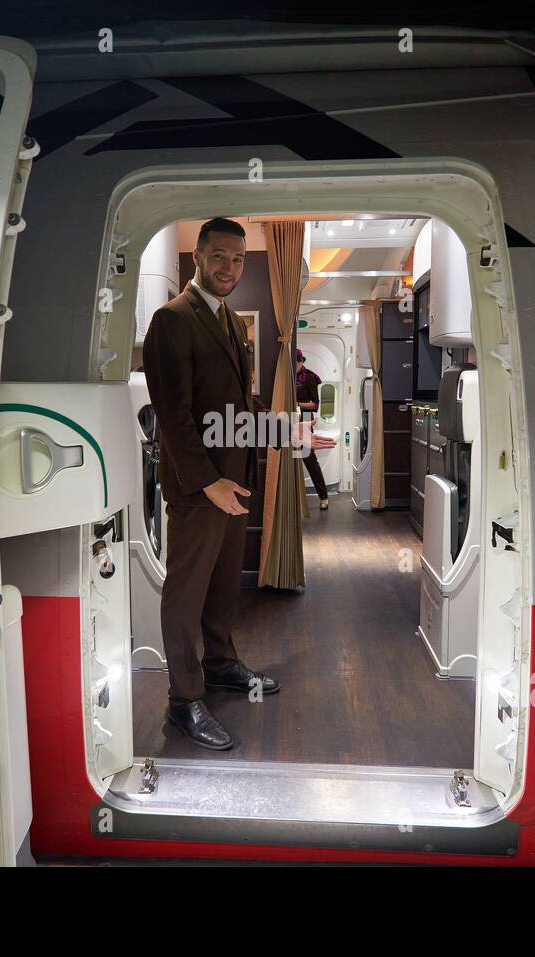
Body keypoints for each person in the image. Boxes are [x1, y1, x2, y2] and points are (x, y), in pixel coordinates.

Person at [142, 217, 334, 750]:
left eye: (238, 259)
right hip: (199, 488)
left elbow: (241, 406)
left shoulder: (230, 322)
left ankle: (221, 664)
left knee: (225, 585)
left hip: (235, 481)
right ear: (199, 258)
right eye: (220, 257)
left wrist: (289, 432)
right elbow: (173, 417)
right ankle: (184, 700)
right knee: (186, 593)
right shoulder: (171, 321)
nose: (229, 268)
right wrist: (209, 484)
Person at [295, 349, 329, 510]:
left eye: (297, 362)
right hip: (289, 419)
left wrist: (296, 404)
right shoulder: (286, 376)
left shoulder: (310, 377)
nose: (295, 365)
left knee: (309, 459)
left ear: (301, 362)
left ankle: (323, 496)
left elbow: (315, 405)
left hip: (306, 419)